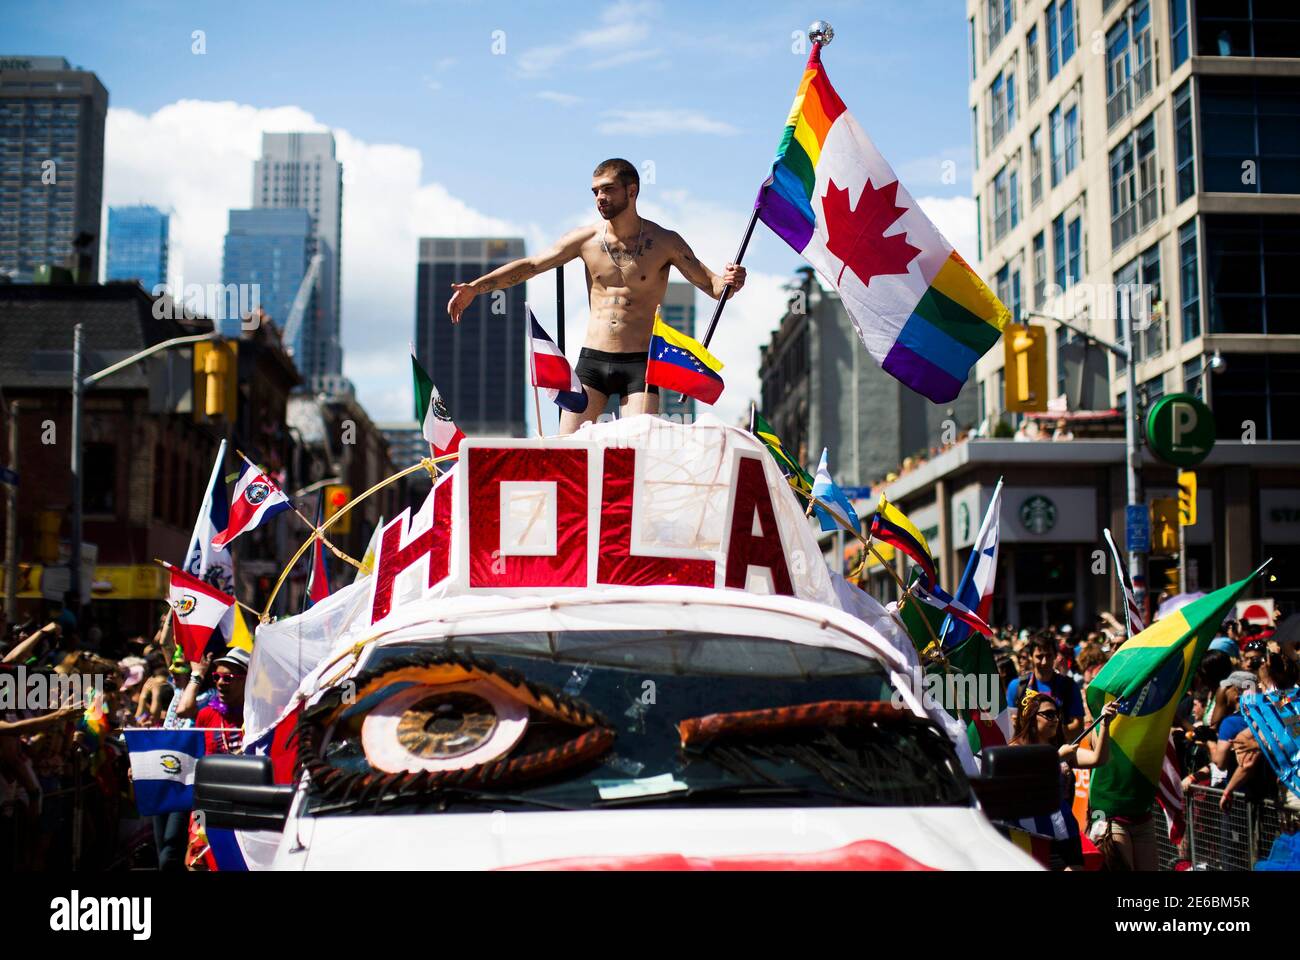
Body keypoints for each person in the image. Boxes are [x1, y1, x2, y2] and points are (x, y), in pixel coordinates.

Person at [446, 158, 746, 433]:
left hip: (641, 365)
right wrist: (476, 287)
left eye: (608, 190)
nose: (600, 198)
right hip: (593, 361)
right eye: (595, 191)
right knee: (568, 451)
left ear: (632, 191)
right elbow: (532, 265)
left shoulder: (665, 242)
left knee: (638, 449)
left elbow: (713, 287)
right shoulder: (585, 239)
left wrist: (730, 280)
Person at [1010, 689, 1119, 869]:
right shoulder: (1014, 750)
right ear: (1030, 716)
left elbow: (1098, 759)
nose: (1056, 719)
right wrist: (1056, 758)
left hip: (1064, 828)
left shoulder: (1060, 748)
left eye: (1057, 714)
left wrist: (1105, 725)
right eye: (1049, 714)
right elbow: (1020, 784)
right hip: (1034, 834)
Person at [1006, 636, 1086, 738]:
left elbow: (1078, 727)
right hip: (1026, 750)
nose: (1044, 662)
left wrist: (1048, 733)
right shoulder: (1017, 686)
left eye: (1049, 656)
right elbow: (1010, 726)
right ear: (1031, 657)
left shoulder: (1069, 686)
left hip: (1058, 750)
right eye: (1039, 657)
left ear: (1055, 656)